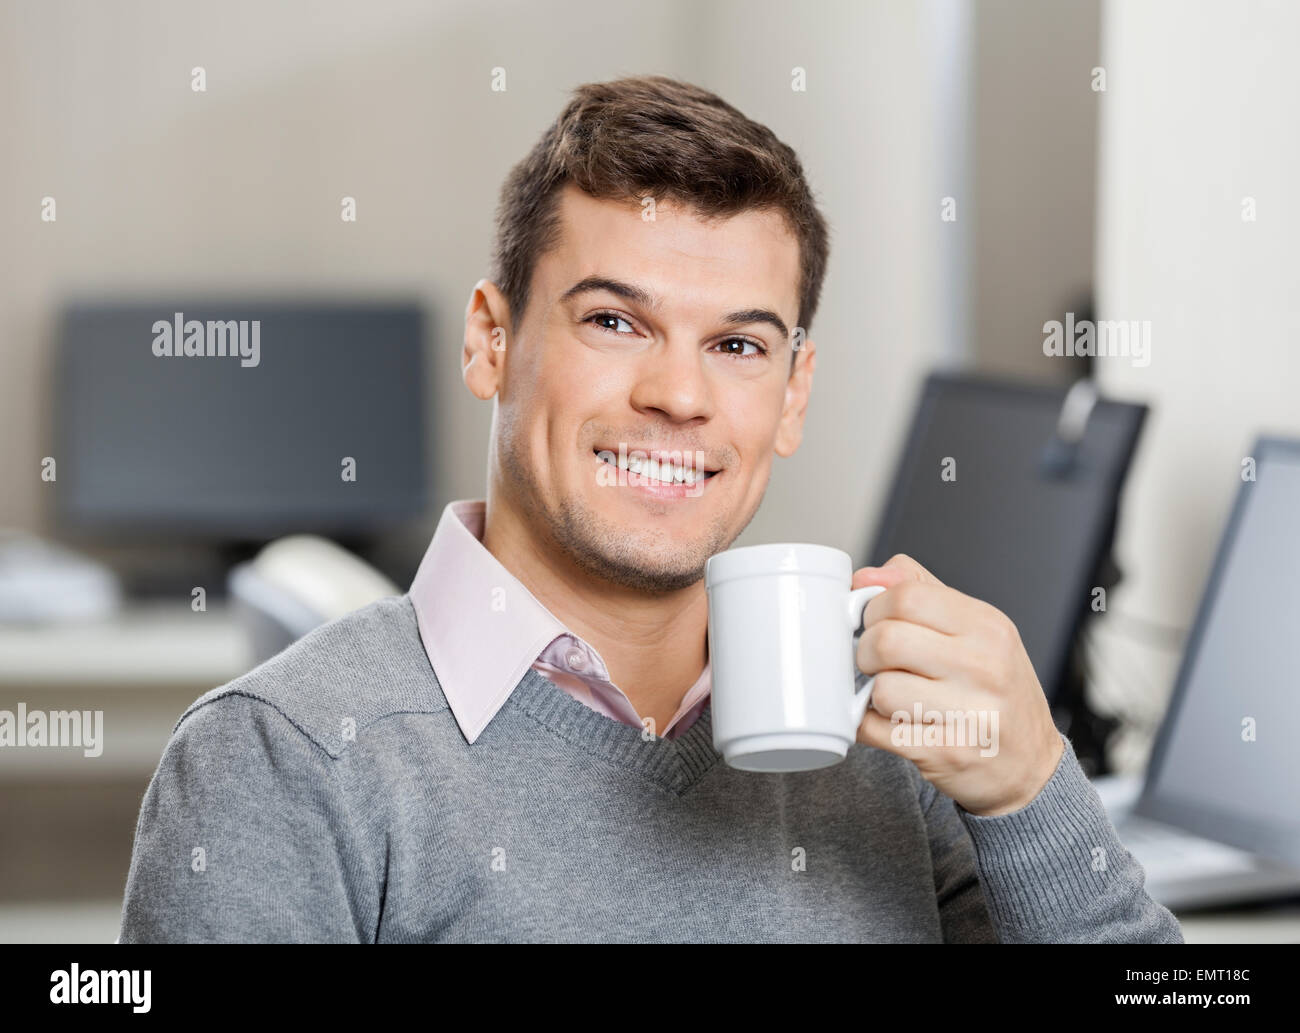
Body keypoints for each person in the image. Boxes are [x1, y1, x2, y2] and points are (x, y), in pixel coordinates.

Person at [119, 74, 1182, 943]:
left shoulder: (881, 746)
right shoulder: (277, 763)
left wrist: (1032, 787)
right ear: (492, 340)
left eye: (737, 345)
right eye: (617, 323)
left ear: (791, 394)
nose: (679, 395)